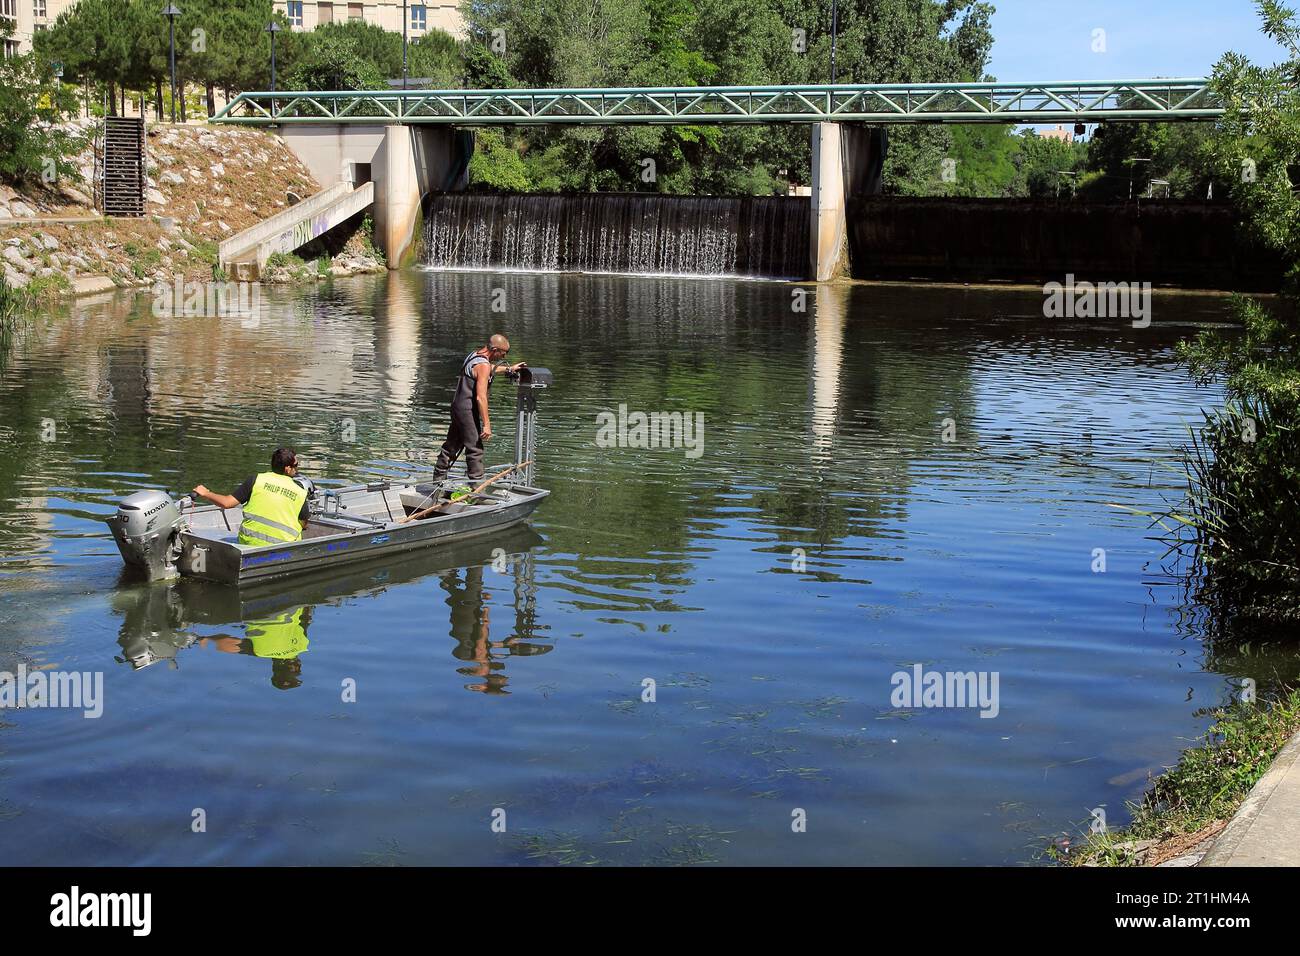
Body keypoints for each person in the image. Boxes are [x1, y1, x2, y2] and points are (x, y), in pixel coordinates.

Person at [432, 334, 525, 484]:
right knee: (475, 448)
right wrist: (487, 424)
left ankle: (437, 481)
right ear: (494, 350)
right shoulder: (483, 365)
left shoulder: (474, 355)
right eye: (503, 353)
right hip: (467, 410)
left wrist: (509, 369)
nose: (505, 355)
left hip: (457, 407)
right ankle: (477, 490)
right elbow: (481, 397)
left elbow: (487, 369)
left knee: (452, 445)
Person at [193, 446, 310, 547]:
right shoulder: (300, 491)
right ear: (287, 468)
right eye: (296, 465)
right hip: (282, 547)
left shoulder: (256, 480)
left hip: (248, 543)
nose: (297, 468)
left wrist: (206, 493)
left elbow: (226, 503)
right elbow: (304, 523)